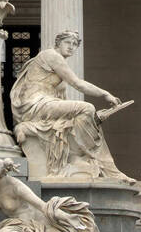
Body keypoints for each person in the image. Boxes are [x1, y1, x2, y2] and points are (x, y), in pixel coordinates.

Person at [11, 30, 132, 182]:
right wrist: (105, 94)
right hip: (36, 104)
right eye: (67, 42)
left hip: (46, 104)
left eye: (75, 44)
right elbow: (77, 83)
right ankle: (100, 164)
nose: (71, 47)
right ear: (58, 43)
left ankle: (97, 164)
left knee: (87, 118)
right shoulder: (51, 56)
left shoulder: (56, 62)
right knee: (87, 108)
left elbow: (63, 98)